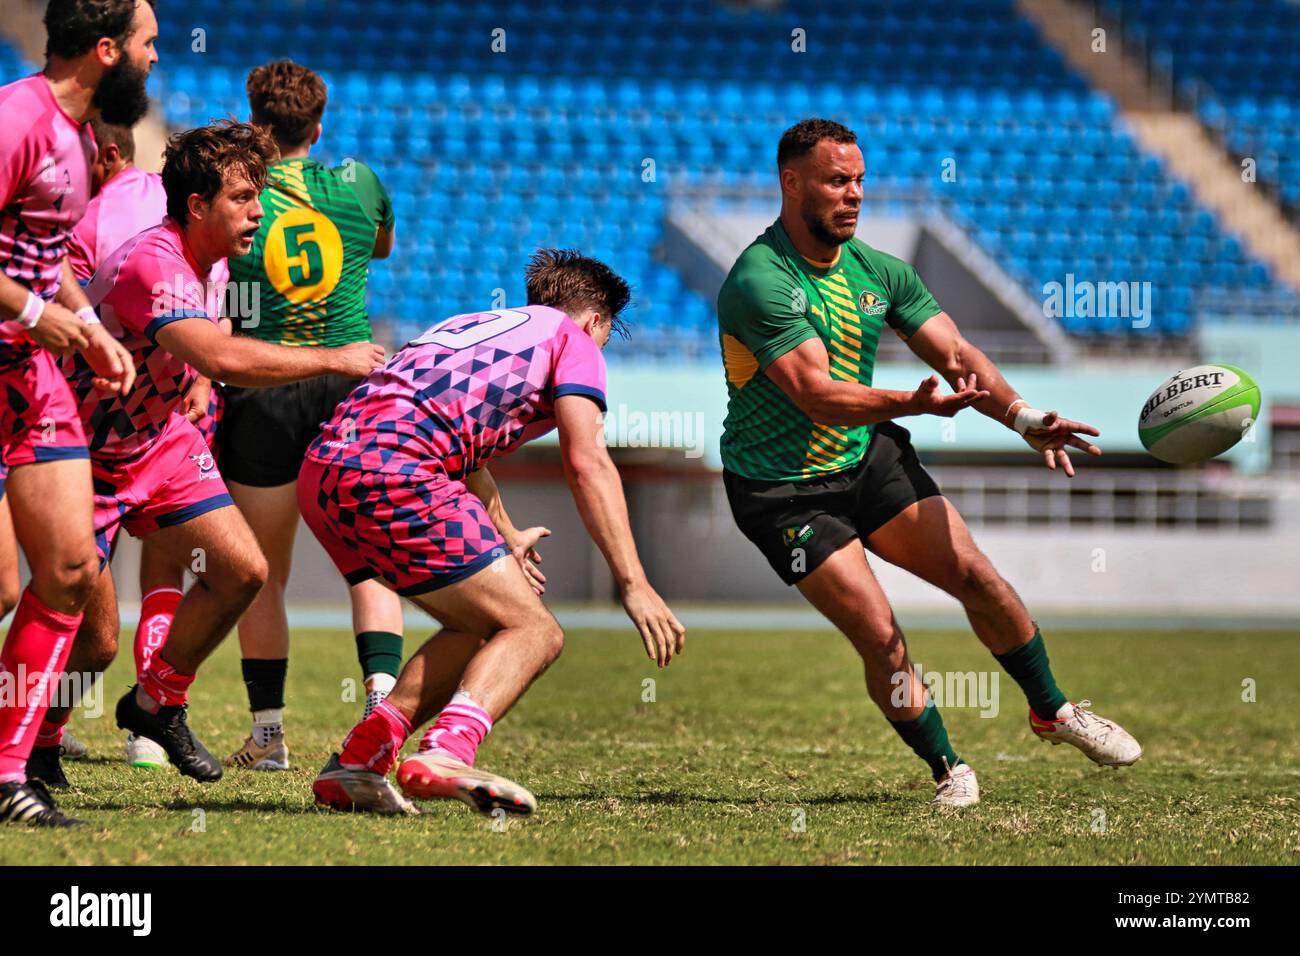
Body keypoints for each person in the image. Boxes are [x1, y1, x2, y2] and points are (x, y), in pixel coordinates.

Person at [716, 119, 1140, 808]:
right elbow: (817, 395)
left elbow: (958, 357)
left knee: (980, 578)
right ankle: (949, 767)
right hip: (782, 491)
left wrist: (1024, 418)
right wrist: (912, 406)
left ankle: (1054, 712)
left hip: (867, 456)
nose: (852, 196)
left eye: (858, 182)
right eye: (835, 182)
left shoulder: (881, 272)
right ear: (791, 183)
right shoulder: (760, 280)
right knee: (881, 637)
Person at [31, 120, 385, 791]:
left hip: (159, 440)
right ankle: (38, 743)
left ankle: (156, 701)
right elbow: (220, 354)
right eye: (243, 199)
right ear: (197, 207)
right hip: (85, 452)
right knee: (97, 641)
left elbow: (203, 340)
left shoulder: (214, 260)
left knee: (244, 572)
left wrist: (192, 377)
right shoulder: (153, 260)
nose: (258, 212)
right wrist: (333, 358)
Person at [304, 249, 685, 815]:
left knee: (482, 624)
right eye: (605, 338)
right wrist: (633, 582)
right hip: (396, 470)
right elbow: (587, 461)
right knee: (536, 631)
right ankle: (445, 753)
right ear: (595, 322)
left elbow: (458, 442)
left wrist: (504, 530)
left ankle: (360, 760)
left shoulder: (469, 327)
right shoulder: (574, 341)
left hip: (323, 473)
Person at [219, 60, 404, 771]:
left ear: (253, 121)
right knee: (371, 563)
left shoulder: (238, 197)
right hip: (349, 385)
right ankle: (379, 714)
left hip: (264, 388)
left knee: (265, 572)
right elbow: (382, 246)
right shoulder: (359, 183)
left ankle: (268, 737)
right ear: (319, 126)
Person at [31, 119, 226, 776]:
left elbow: (191, 309)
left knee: (96, 632)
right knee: (85, 625)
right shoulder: (147, 214)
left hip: (130, 440)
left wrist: (196, 368)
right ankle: (36, 739)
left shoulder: (103, 220)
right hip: (73, 445)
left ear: (102, 153)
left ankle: (50, 736)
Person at [0, 0, 154, 828]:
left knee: (66, 568)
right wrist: (34, 314)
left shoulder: (79, 136)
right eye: (147, 44)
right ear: (105, 51)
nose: (156, 59)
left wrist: (87, 326)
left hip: (31, 376)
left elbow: (43, 253)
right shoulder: (15, 118)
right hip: (12, 351)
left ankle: (6, 773)